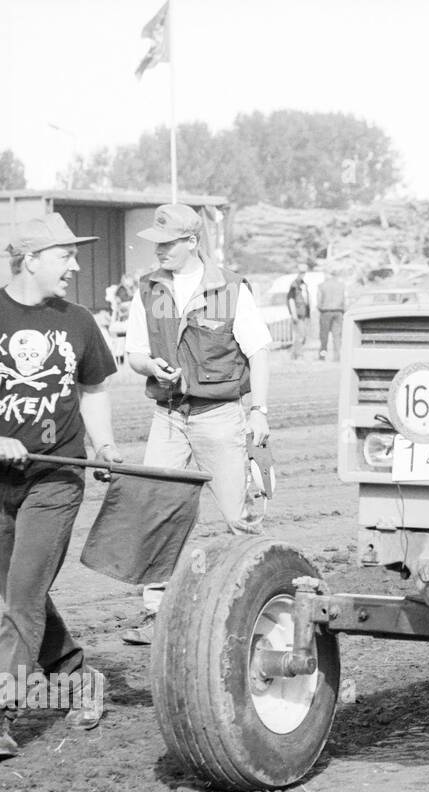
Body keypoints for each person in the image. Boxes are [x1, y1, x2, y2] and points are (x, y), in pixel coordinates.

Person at [119, 204, 273, 645]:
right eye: (156, 243)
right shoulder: (149, 290)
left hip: (220, 417)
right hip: (167, 417)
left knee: (238, 516)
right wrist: (152, 366)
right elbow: (134, 353)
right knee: (158, 512)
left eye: (167, 243)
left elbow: (259, 351)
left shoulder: (228, 289)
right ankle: (155, 611)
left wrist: (259, 411)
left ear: (192, 241)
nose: (159, 250)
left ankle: (259, 602)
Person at [0, 214, 121, 757]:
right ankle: (75, 675)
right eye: (64, 255)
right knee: (17, 596)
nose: (75, 266)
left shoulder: (78, 321)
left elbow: (92, 388)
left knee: (21, 597)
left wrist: (106, 444)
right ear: (30, 259)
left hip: (55, 478)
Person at [316, 270, 347, 360]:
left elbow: (318, 301)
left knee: (324, 336)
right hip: (338, 312)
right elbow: (345, 300)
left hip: (326, 312)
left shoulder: (322, 285)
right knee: (337, 336)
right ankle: (337, 356)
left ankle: (323, 355)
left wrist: (320, 308)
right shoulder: (342, 286)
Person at [286, 263, 312, 360]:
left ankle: (294, 354)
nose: (303, 274)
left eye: (304, 272)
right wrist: (294, 314)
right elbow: (291, 299)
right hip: (298, 314)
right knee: (300, 336)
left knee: (303, 335)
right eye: (301, 272)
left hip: (305, 314)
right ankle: (298, 355)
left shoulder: (303, 284)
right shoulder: (294, 284)